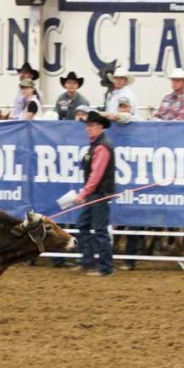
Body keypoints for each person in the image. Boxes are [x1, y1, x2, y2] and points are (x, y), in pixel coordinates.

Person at [73, 110, 115, 277]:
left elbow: (96, 175)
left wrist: (84, 193)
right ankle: (88, 261)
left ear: (100, 127)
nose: (88, 129)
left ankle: (105, 267)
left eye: (92, 126)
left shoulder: (101, 147)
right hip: (95, 194)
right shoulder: (97, 145)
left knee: (99, 230)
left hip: (99, 194)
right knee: (83, 225)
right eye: (87, 126)